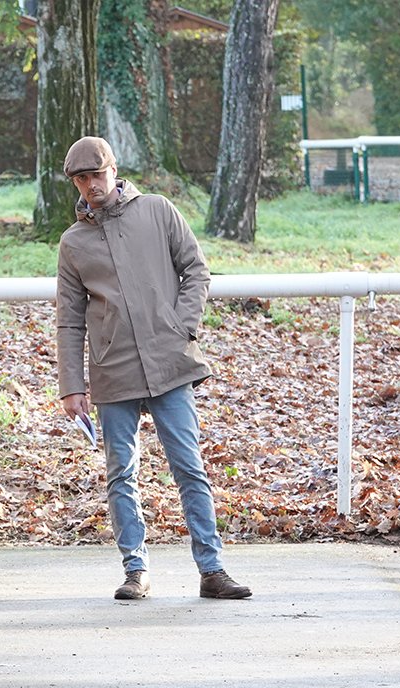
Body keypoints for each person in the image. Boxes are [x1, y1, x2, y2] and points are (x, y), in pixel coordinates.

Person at [55, 136, 251, 601]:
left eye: (97, 174)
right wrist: (71, 386)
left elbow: (196, 270)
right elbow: (69, 318)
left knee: (190, 467)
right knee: (121, 472)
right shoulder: (73, 243)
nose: (90, 186)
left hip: (171, 362)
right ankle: (135, 569)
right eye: (81, 179)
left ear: (114, 169)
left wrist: (180, 327)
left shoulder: (159, 211)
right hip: (112, 369)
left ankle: (212, 568)